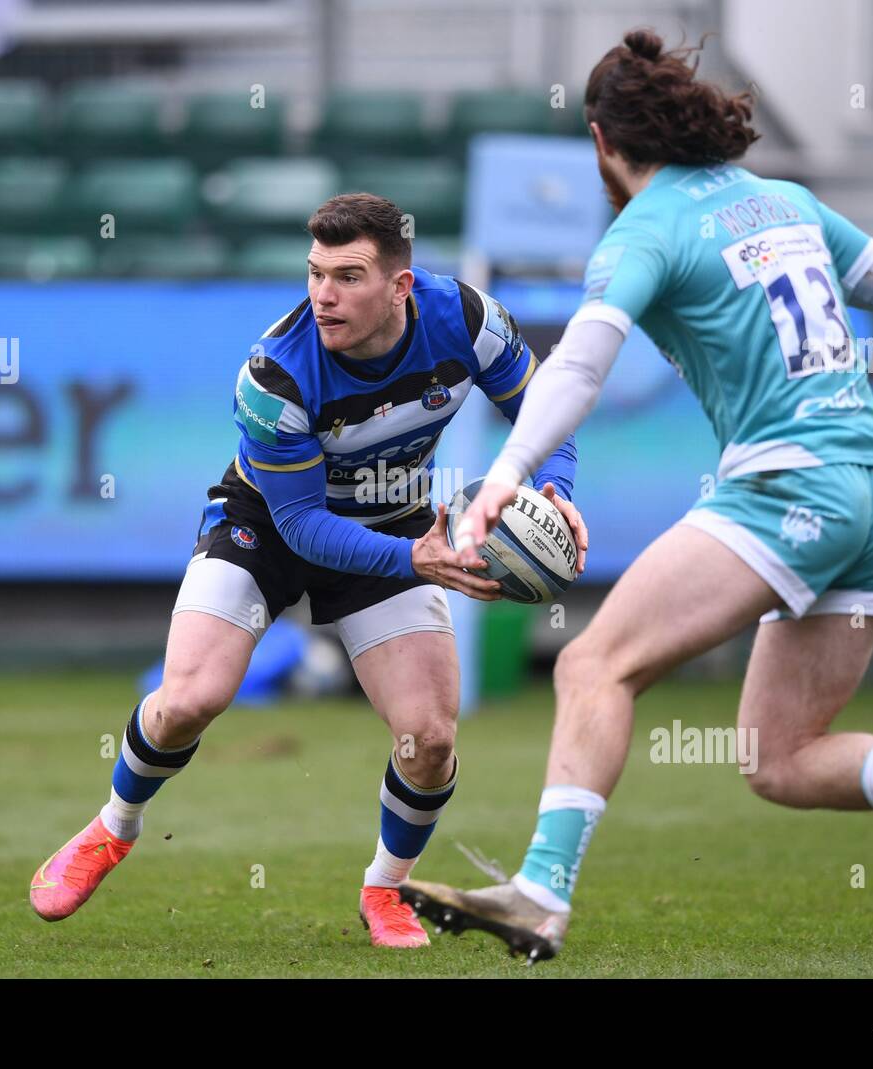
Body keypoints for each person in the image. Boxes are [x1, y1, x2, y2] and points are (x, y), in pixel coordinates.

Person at [399, 29, 873, 961]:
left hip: (788, 485)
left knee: (591, 667)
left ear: (600, 141)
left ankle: (540, 890)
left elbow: (579, 365)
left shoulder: (646, 230)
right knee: (776, 758)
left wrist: (501, 476)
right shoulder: (786, 201)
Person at [29, 192, 587, 948]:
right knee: (188, 700)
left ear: (401, 286)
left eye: (348, 276)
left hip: (390, 516)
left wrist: (555, 491)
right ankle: (112, 827)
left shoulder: (467, 319)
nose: (324, 294)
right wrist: (417, 558)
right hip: (264, 522)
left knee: (429, 738)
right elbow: (301, 526)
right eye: (316, 273)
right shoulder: (275, 376)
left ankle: (385, 889)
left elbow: (544, 412)